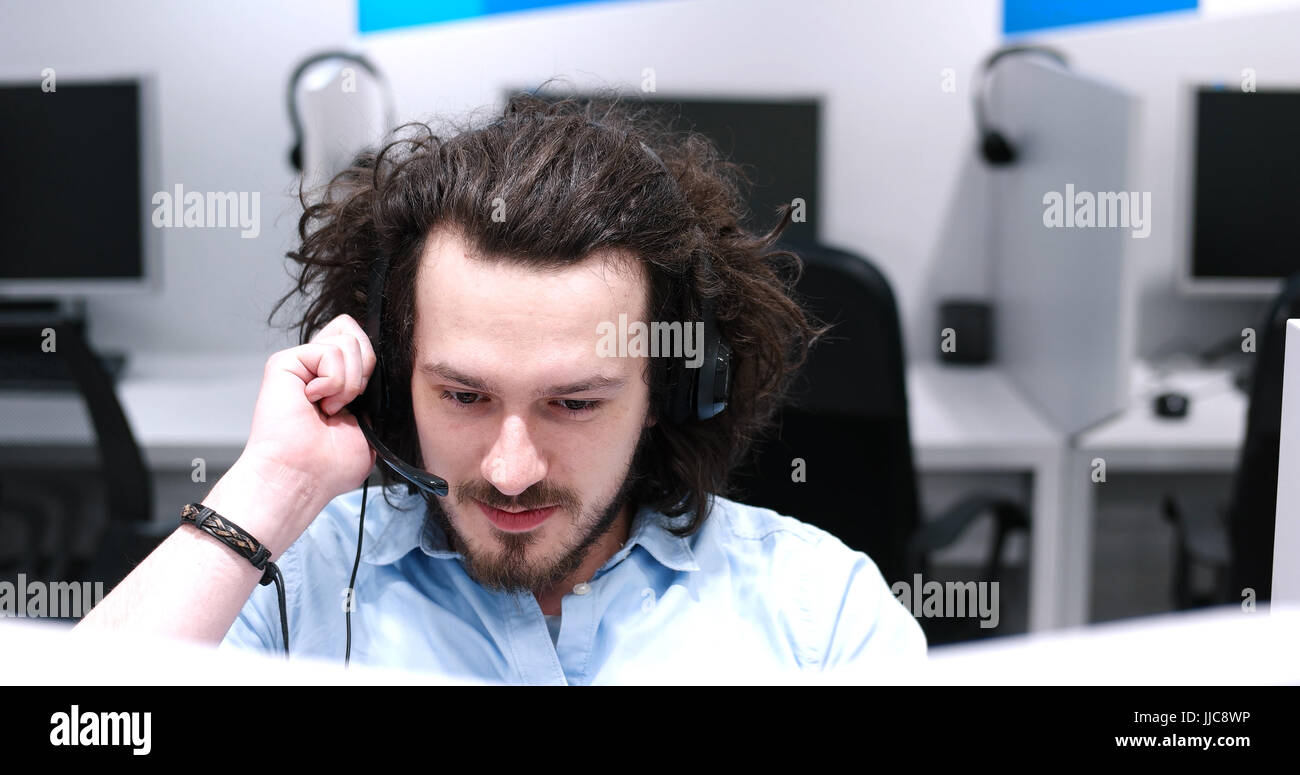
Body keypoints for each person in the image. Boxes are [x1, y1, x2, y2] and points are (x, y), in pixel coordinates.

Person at [77, 91, 926, 683]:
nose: (511, 470)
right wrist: (273, 485)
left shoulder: (822, 617)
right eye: (464, 396)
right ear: (391, 379)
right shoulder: (295, 586)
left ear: (673, 385)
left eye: (575, 403)